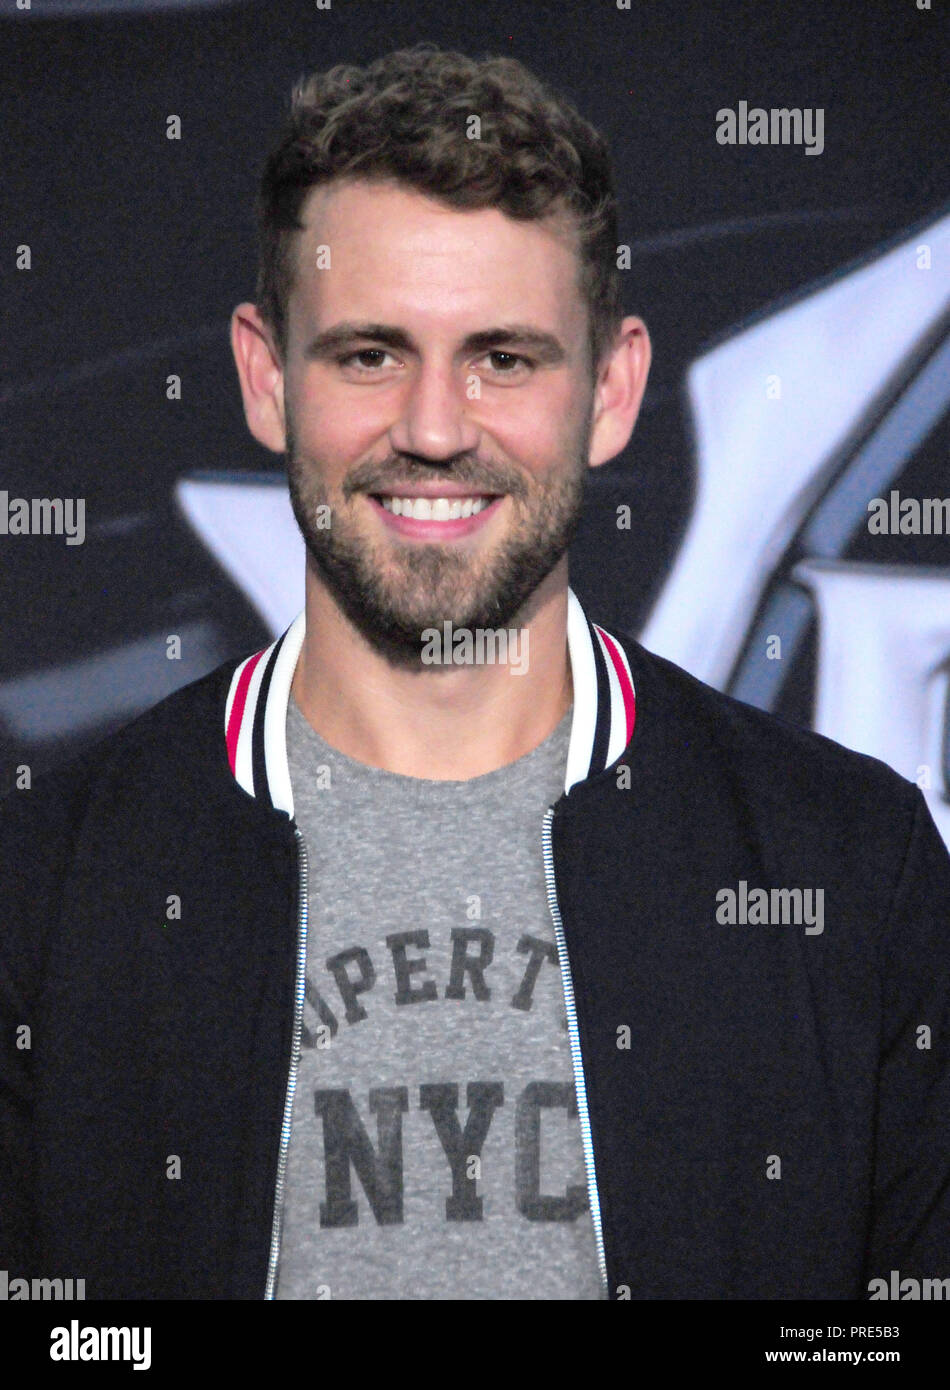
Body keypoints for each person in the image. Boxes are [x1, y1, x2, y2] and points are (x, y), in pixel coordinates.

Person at [2, 43, 948, 1303]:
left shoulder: (849, 865)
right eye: (367, 355)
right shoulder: (50, 887)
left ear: (610, 390)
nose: (436, 429)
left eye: (504, 357)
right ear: (263, 376)